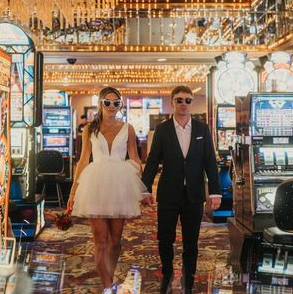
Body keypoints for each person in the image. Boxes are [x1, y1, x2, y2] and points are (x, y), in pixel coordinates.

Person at [141, 86, 222, 293]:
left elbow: (210, 162)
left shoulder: (202, 129)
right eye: (179, 100)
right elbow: (152, 161)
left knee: (191, 239)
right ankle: (167, 271)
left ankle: (189, 275)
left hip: (194, 194)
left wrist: (215, 192)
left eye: (187, 100)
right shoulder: (163, 129)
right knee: (165, 237)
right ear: (172, 102)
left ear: (191, 103)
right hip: (169, 192)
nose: (183, 104)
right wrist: (145, 189)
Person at [67, 87, 145, 294]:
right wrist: (73, 192)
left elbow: (134, 158)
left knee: (116, 240)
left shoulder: (127, 128)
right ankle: (107, 286)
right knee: (100, 240)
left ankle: (109, 278)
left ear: (120, 105)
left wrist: (142, 188)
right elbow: (83, 160)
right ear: (100, 103)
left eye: (116, 103)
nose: (111, 107)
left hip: (120, 184)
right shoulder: (89, 129)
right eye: (107, 102)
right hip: (95, 183)